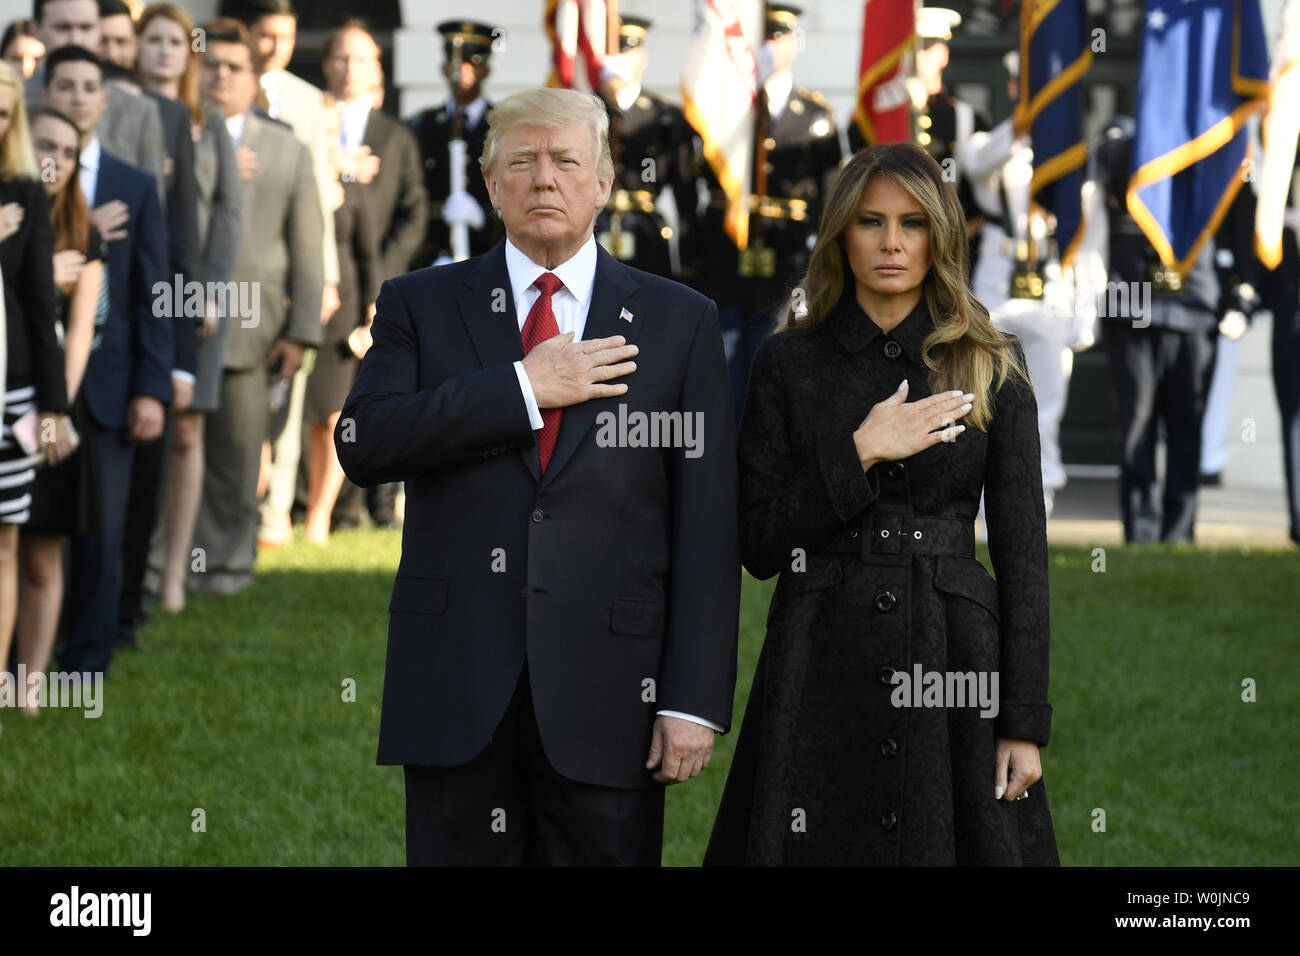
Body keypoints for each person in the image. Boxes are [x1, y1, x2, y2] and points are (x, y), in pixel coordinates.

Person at [336, 87, 739, 866]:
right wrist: (522, 388)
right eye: (522, 162)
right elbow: (364, 441)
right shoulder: (420, 303)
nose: (544, 178)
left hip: (614, 691)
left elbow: (707, 527)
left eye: (566, 161)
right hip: (457, 685)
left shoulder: (679, 320)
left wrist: (691, 700)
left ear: (604, 183)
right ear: (492, 187)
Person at [704, 142, 1058, 866]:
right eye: (871, 221)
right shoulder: (787, 362)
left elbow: (1023, 555)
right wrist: (859, 453)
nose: (892, 242)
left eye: (912, 223)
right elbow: (760, 543)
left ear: (940, 235)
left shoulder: (993, 362)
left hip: (953, 657)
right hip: (818, 652)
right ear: (842, 233)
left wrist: (1023, 721)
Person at [41, 44, 171, 678]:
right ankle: (27, 655)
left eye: (88, 86)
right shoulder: (22, 181)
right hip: (32, 379)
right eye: (64, 85)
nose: (77, 97)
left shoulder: (136, 185)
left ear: (104, 98)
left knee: (102, 532)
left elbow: (155, 292)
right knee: (35, 529)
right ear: (46, 95)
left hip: (111, 386)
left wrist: (152, 387)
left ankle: (87, 663)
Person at [189, 18, 321, 596]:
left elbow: (307, 246)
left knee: (238, 456)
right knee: (171, 450)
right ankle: (167, 565)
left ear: (253, 78)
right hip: (171, 317)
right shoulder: (169, 135)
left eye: (233, 67)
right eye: (210, 65)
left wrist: (301, 331)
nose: (220, 76)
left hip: (252, 326)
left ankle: (227, 568)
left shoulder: (286, 147)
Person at [136, 1, 242, 612]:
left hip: (194, 294)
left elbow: (227, 212)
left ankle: (174, 572)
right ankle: (138, 564)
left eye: (176, 43)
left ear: (189, 55)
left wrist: (211, 291)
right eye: (153, 40)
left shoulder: (208, 121)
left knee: (186, 428)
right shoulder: (120, 106)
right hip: (137, 288)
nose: (164, 51)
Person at [691, 2, 842, 425]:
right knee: (721, 366)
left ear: (795, 44)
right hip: (726, 252)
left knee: (780, 356)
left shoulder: (816, 113)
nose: (770, 47)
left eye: (779, 37)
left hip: (788, 254)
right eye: (763, 37)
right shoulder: (723, 105)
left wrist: (822, 253)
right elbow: (694, 176)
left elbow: (832, 194)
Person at [241, 0, 341, 549]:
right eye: (266, 35)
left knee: (290, 393)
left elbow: (320, 197)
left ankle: (275, 514)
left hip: (295, 269)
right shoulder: (219, 88)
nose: (275, 46)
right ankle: (236, 508)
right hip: (238, 272)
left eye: (285, 36)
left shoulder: (307, 100)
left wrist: (324, 277)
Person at [15, 104, 103, 710]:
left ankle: (30, 686)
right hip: (8, 396)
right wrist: (40, 272)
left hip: (52, 415)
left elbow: (79, 333)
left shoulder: (83, 230)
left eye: (69, 152)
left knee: (43, 556)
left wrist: (57, 413)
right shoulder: (9, 216)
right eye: (45, 145)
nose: (56, 161)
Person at [321, 19, 425, 530]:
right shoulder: (309, 126)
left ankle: (360, 505)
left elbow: (413, 213)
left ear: (377, 69)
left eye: (361, 59)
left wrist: (383, 280)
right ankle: (307, 506)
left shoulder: (396, 136)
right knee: (319, 398)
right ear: (327, 64)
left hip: (379, 288)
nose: (349, 68)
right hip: (322, 283)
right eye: (341, 57)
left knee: (370, 395)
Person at [0, 63, 71, 700]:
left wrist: (54, 407)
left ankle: (4, 688)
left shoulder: (24, 192)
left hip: (14, 391)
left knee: (4, 545)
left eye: (4, 113)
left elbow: (40, 301)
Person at [302, 95, 378, 546]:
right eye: (322, 132)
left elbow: (370, 258)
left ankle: (319, 515)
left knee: (332, 418)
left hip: (342, 317)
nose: (329, 141)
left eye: (335, 132)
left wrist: (371, 315)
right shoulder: (296, 180)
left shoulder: (355, 190)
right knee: (290, 417)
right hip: (297, 312)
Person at [593, 16, 699, 280]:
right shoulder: (585, 110)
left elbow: (685, 192)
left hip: (646, 234)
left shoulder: (664, 115)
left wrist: (689, 260)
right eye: (613, 53)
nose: (619, 61)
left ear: (642, 57)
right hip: (593, 227)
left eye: (627, 52)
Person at [409, 19, 503, 267]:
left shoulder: (502, 126)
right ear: (443, 68)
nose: (462, 71)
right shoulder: (422, 126)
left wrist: (485, 220)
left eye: (472, 64)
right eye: (455, 63)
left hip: (487, 258)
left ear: (486, 71)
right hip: (431, 258)